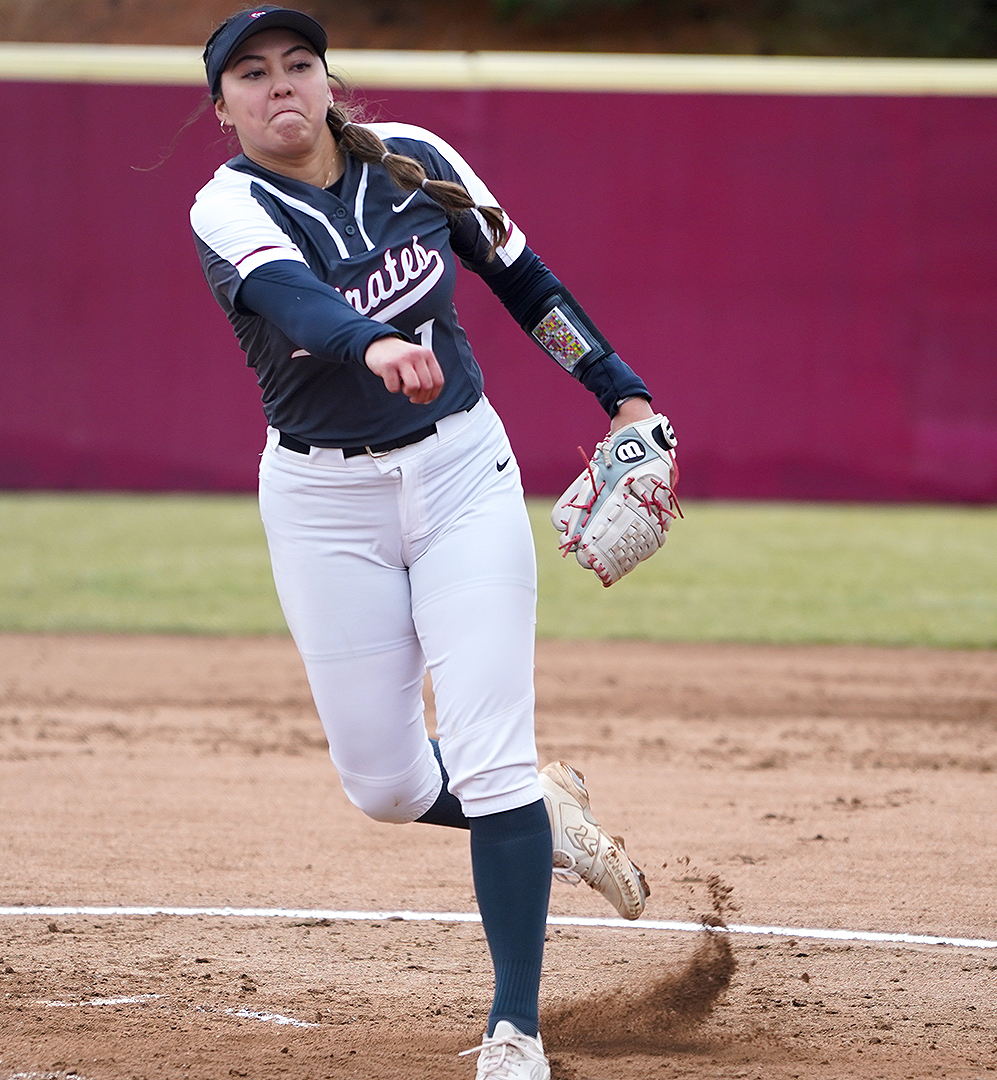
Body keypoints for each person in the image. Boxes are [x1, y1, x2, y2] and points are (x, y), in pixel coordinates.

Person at [188, 8, 660, 1077]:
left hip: (461, 477)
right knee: (387, 786)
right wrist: (374, 341)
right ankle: (550, 815)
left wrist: (621, 396)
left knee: (488, 755)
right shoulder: (228, 204)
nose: (281, 88)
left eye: (297, 65)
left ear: (326, 78)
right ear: (223, 109)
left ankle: (513, 1031)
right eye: (252, 76)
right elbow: (292, 300)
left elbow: (527, 282)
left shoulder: (416, 161)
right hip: (322, 505)